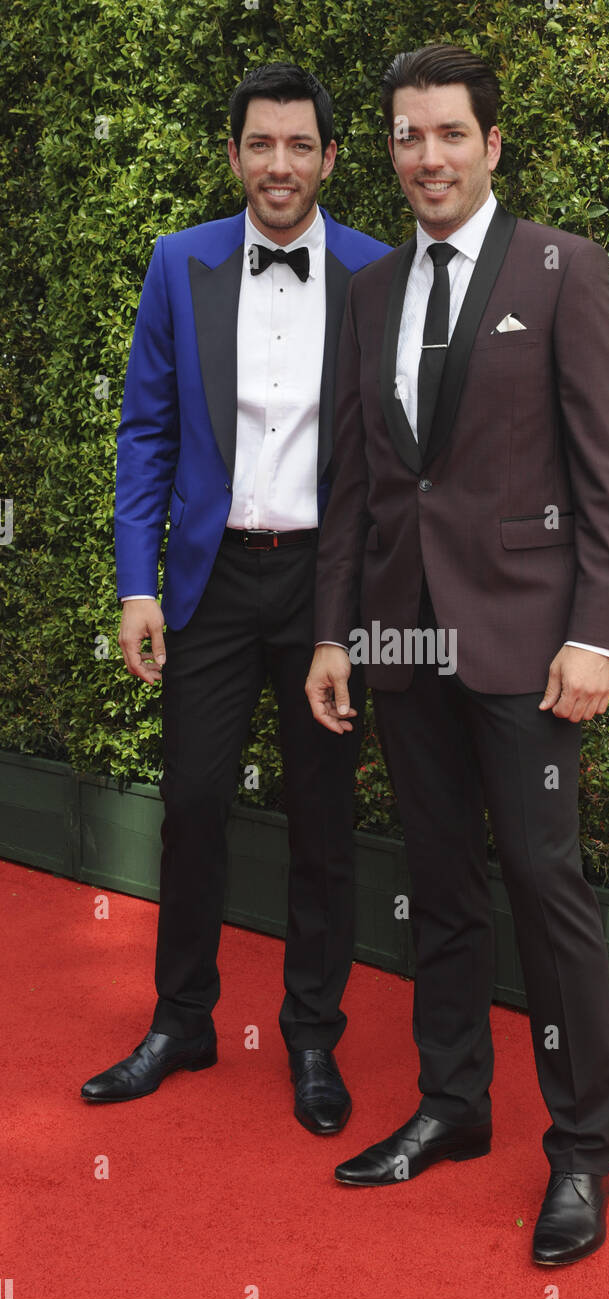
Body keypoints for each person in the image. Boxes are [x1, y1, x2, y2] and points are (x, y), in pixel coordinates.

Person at [305, 44, 609, 1262]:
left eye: (448, 133)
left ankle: (581, 1151)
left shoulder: (564, 270)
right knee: (440, 889)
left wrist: (593, 632)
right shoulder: (370, 291)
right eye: (406, 135)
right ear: (389, 151)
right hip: (402, 640)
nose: (427, 156)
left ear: (491, 145)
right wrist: (337, 632)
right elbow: (356, 484)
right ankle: (450, 1102)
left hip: (527, 645)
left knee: (547, 897)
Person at [81, 63, 388, 1135]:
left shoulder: (375, 272)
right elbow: (145, 433)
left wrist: (359, 609)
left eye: (299, 146)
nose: (279, 165)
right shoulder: (179, 264)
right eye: (260, 145)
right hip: (210, 582)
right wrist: (135, 585)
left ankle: (311, 1035)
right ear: (233, 156)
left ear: (328, 160)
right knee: (196, 804)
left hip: (323, 588)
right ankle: (182, 1019)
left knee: (321, 820)